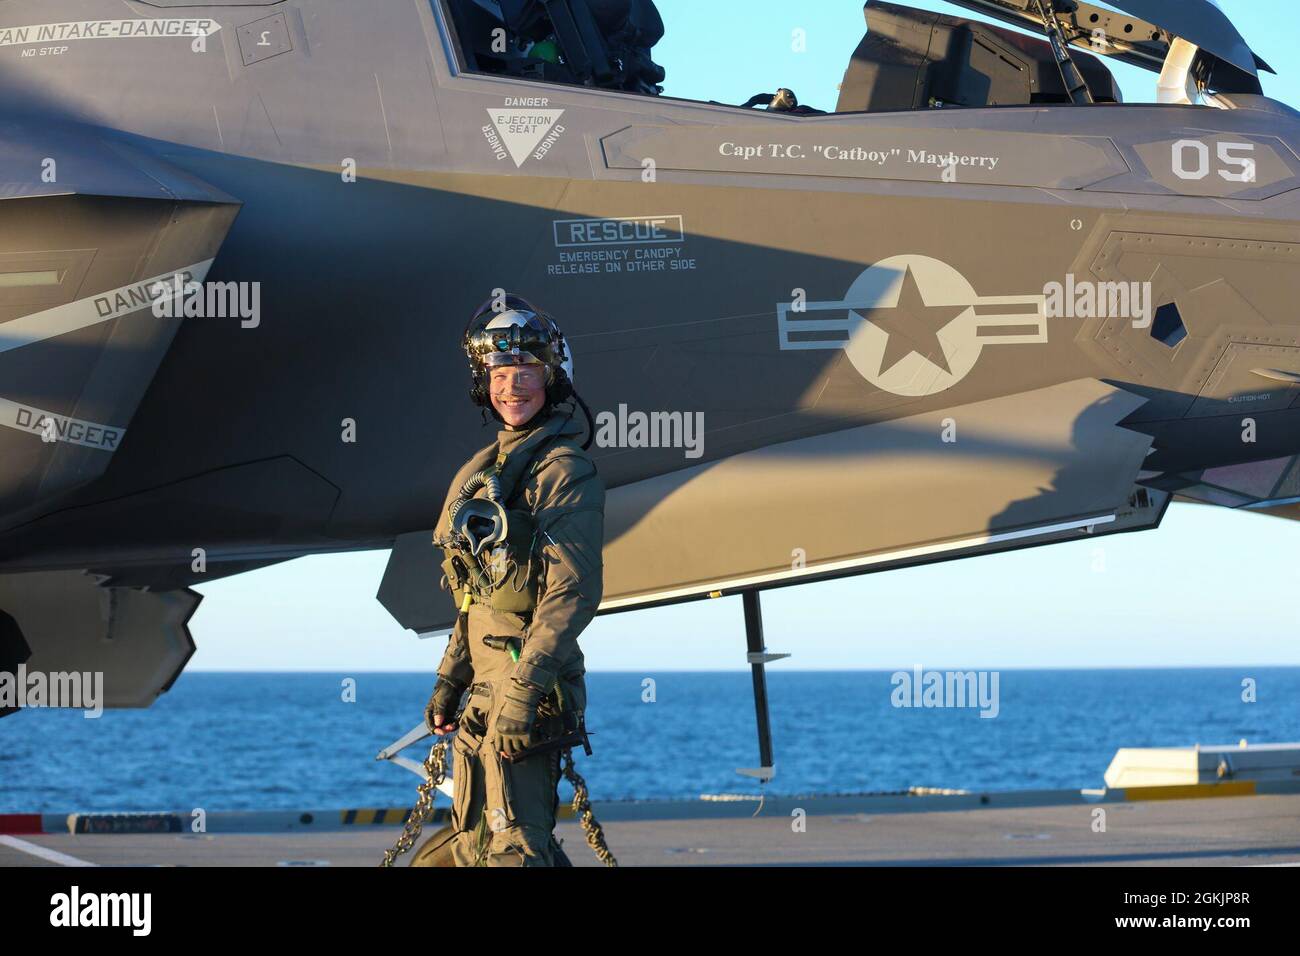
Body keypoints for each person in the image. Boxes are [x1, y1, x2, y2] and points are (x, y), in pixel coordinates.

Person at [424, 293, 605, 867]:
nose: (512, 386)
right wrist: (450, 679)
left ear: (552, 377)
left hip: (526, 691)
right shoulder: (488, 470)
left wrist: (524, 693)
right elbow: (476, 594)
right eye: (500, 373)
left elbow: (571, 592)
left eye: (526, 371)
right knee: (475, 845)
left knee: (514, 849)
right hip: (484, 694)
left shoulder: (562, 471)